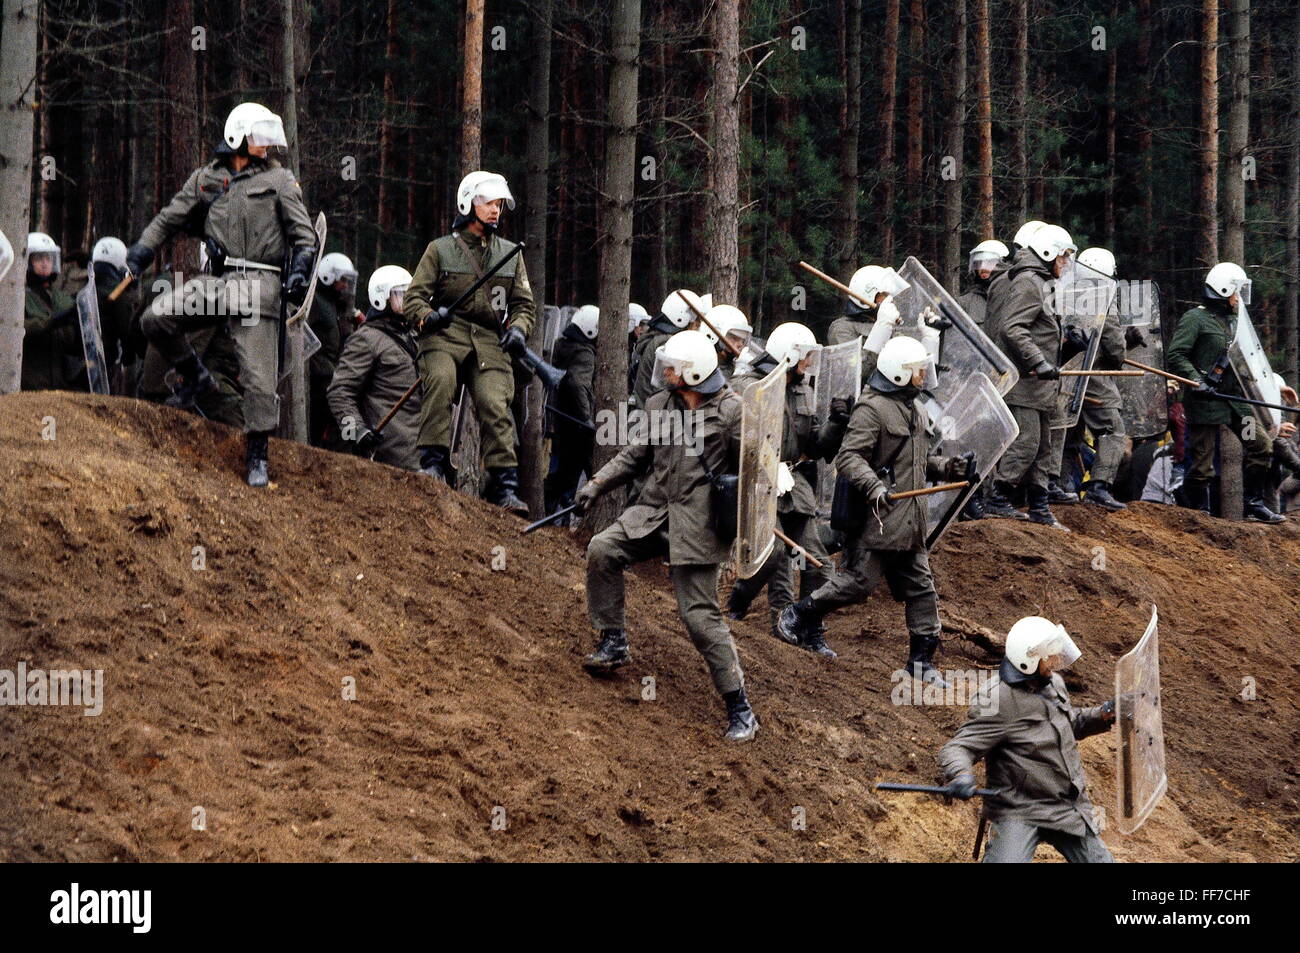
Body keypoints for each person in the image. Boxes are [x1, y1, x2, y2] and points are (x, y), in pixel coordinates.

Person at [573, 329, 757, 742]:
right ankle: (614, 639)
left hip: (697, 524)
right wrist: (597, 483)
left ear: (692, 374)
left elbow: (753, 468)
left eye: (673, 367)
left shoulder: (731, 411)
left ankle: (739, 707)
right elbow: (635, 455)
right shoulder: (659, 404)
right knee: (603, 549)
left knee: (699, 617)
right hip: (652, 514)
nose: (665, 372)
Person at [127, 102, 318, 487]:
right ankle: (196, 379)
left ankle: (258, 453)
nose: (265, 146)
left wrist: (299, 272)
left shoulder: (280, 180)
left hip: (261, 285)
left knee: (258, 379)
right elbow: (170, 217)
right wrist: (143, 250)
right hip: (220, 280)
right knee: (157, 317)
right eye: (257, 138)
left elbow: (305, 236)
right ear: (237, 138)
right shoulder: (206, 180)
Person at [778, 336, 972, 682]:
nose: (923, 376)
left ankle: (921, 663)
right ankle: (798, 614)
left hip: (909, 522)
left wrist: (947, 468)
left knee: (921, 588)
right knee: (857, 583)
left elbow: (918, 462)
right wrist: (874, 487)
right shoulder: (872, 408)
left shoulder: (916, 408)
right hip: (877, 520)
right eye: (917, 371)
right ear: (899, 374)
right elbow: (849, 457)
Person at [404, 171, 534, 514]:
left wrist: (519, 329)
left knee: (495, 401)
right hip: (445, 334)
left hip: (489, 340)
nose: (495, 210)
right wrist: (429, 317)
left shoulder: (511, 254)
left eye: (499, 204)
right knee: (441, 381)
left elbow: (523, 304)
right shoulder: (440, 250)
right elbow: (414, 298)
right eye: (488, 203)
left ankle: (504, 485)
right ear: (468, 204)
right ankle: (433, 462)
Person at [939, 616, 1116, 864]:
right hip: (1019, 809)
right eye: (1048, 654)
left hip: (1066, 806)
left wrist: (1101, 715)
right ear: (1028, 660)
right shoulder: (998, 698)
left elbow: (1066, 725)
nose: (1055, 659)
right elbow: (960, 747)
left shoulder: (1053, 683)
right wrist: (961, 775)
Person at [726, 321, 847, 651]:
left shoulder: (803, 390)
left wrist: (837, 424)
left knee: (816, 558)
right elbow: (738, 440)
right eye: (806, 357)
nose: (810, 363)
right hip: (757, 482)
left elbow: (816, 447)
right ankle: (746, 600)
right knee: (775, 553)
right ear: (790, 356)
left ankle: (809, 627)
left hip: (793, 483)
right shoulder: (748, 386)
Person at [1167, 262, 1284, 523]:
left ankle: (1253, 504)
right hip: (1205, 403)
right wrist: (1197, 380)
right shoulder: (1195, 319)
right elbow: (1176, 355)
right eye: (1235, 292)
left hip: (1235, 404)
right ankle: (1199, 512)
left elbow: (1249, 359)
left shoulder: (1235, 321)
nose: (1238, 298)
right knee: (1202, 467)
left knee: (1261, 446)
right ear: (1222, 290)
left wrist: (1274, 386)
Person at [983, 223, 1077, 529]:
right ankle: (997, 500)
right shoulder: (1028, 281)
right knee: (1026, 443)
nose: (1065, 263)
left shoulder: (1040, 281)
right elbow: (1012, 327)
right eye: (1063, 257)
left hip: (1040, 386)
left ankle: (1040, 507)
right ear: (1048, 253)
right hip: (1024, 383)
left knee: (1042, 448)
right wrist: (1038, 360)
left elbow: (1037, 328)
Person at [1045, 246, 1131, 511]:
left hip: (1067, 373)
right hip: (1094, 375)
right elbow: (1114, 347)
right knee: (1113, 431)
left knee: (1070, 434)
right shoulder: (1103, 297)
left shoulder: (1065, 291)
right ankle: (1098, 486)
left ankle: (1057, 487)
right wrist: (1122, 352)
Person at [327, 265, 420, 470]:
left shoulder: (414, 336)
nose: (408, 301)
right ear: (381, 297)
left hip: (426, 452)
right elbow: (339, 391)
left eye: (410, 295)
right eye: (401, 295)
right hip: (394, 456)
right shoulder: (366, 339)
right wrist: (357, 432)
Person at [544, 304, 598, 515]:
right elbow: (578, 384)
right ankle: (569, 509)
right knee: (571, 472)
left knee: (559, 471)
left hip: (559, 419)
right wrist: (587, 420)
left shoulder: (562, 346)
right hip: (575, 425)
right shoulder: (584, 354)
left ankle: (555, 510)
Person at [308, 252, 358, 447]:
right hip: (319, 378)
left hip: (332, 375)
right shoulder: (315, 302)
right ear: (329, 276)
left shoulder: (337, 305)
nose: (345, 285)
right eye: (342, 280)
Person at [21, 232, 81, 391]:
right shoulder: (19, 296)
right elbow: (20, 329)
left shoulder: (60, 297)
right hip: (30, 380)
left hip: (59, 381)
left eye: (48, 258)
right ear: (27, 261)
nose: (45, 263)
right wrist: (52, 321)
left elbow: (70, 339)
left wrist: (78, 328)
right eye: (39, 258)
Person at [629, 289, 704, 406]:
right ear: (681, 318)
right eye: (696, 324)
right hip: (657, 417)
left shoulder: (658, 337)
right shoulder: (667, 344)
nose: (697, 329)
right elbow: (666, 392)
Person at [89, 237, 135, 388]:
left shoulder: (86, 287)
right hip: (106, 362)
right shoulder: (118, 293)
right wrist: (129, 362)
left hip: (82, 359)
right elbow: (126, 331)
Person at [956, 239, 1010, 329]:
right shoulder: (965, 303)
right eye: (979, 263)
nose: (983, 267)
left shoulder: (1014, 297)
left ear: (1003, 264)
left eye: (989, 262)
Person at [699, 303, 753, 382]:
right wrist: (737, 378)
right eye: (734, 338)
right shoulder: (702, 367)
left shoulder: (732, 365)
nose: (740, 344)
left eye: (743, 340)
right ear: (712, 336)